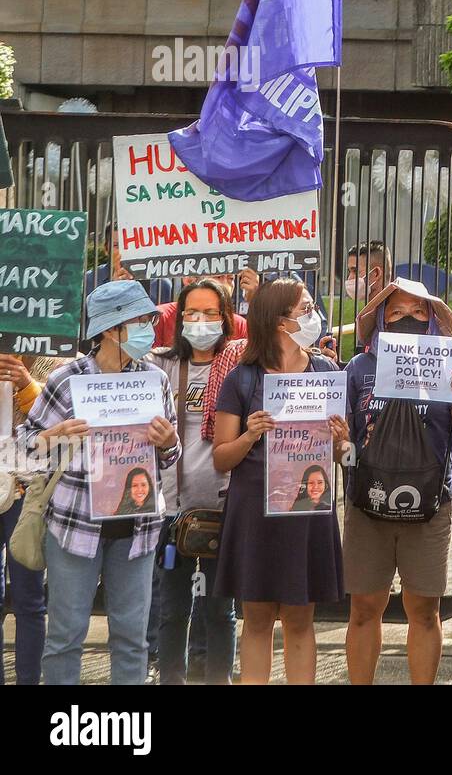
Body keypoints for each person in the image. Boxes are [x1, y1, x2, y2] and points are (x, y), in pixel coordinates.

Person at [17, 280, 180, 685]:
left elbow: (171, 455)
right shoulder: (66, 379)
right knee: (65, 637)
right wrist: (52, 438)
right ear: (110, 329)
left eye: (148, 320)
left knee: (132, 641)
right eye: (139, 321)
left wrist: (169, 442)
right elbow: (20, 451)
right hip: (74, 529)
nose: (149, 329)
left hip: (137, 530)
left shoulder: (155, 380)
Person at [211, 278, 348, 685]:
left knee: (300, 618)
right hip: (255, 514)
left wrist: (342, 442)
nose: (314, 317)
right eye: (304, 309)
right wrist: (250, 435)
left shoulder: (326, 371)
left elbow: (344, 456)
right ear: (277, 320)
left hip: (307, 512)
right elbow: (222, 457)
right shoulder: (242, 378)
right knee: (255, 619)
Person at [343, 278, 452, 686]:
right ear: (381, 318)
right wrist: (340, 445)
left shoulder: (450, 370)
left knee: (425, 609)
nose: (408, 319)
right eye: (397, 312)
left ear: (432, 319)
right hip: (366, 503)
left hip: (433, 504)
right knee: (365, 606)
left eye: (419, 312)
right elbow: (343, 446)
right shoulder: (359, 369)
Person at [150, 277, 238, 686]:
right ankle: (172, 679)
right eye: (191, 313)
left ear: (226, 319)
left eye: (209, 313)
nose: (199, 320)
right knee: (171, 608)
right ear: (179, 317)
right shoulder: (161, 366)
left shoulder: (239, 368)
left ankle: (218, 679)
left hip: (224, 505)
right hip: (172, 507)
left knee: (221, 611)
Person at [0, 353, 59, 685]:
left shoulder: (59, 358)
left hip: (28, 491)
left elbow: (56, 422)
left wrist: (25, 382)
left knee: (29, 598)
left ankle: (28, 680)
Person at [151, 274, 248, 349]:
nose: (225, 285)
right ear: (189, 279)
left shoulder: (239, 324)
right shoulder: (160, 317)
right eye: (218, 277)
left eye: (231, 278)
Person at [83, 226, 173, 305]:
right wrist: (113, 289)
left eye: (130, 244)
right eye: (116, 245)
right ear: (106, 249)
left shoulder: (160, 283)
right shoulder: (90, 280)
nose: (124, 251)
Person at [346, 240, 393, 310]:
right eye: (349, 271)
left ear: (376, 273)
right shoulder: (373, 312)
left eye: (355, 271)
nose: (349, 278)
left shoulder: (395, 312)